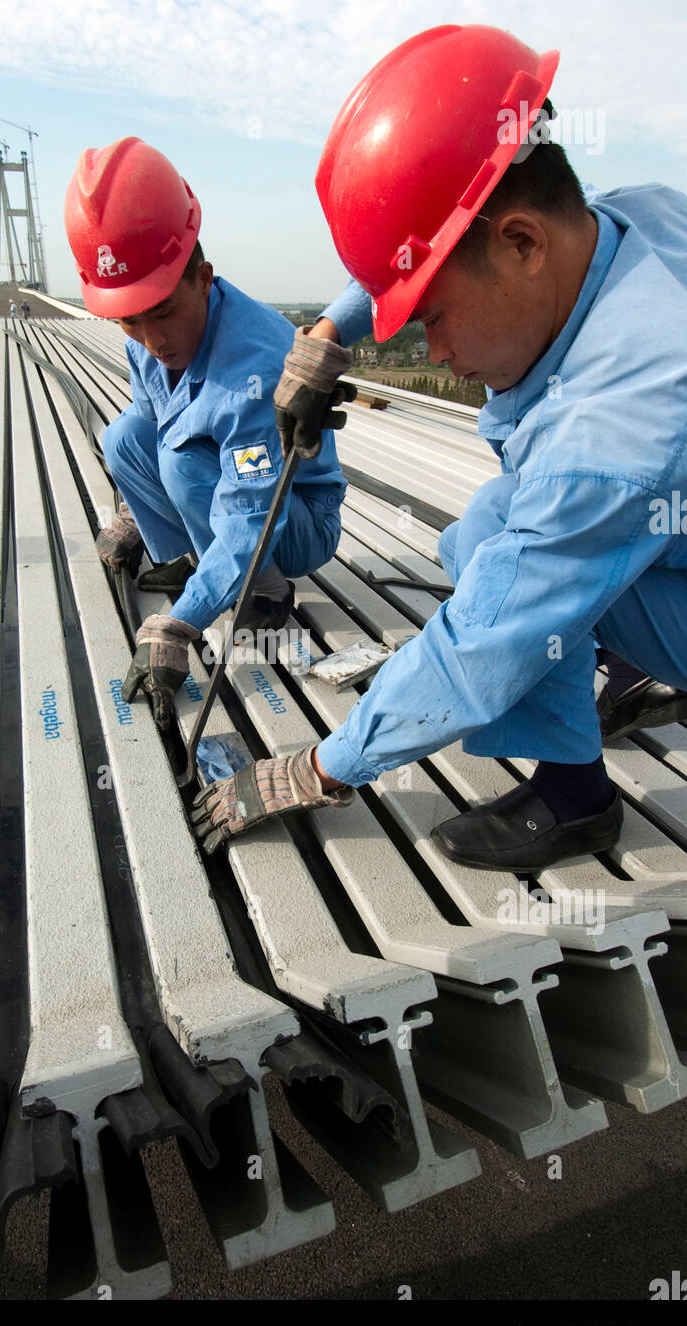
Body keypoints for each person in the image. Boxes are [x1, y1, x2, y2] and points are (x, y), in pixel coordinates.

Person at [192, 22, 687, 873]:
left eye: (430, 315)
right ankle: (630, 662)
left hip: (621, 496)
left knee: (499, 545)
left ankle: (575, 803)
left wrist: (315, 769)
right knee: (507, 524)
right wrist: (328, 330)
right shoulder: (637, 218)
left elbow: (486, 637)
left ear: (523, 245)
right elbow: (468, 201)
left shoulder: (610, 433)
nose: (431, 351)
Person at [64, 137, 351, 731]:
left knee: (184, 465)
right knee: (123, 437)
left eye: (163, 312)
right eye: (130, 319)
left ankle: (265, 592)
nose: (151, 339)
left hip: (293, 517)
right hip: (235, 494)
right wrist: (129, 514)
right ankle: (193, 559)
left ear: (202, 278)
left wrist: (180, 623)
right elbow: (151, 422)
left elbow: (251, 513)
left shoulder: (253, 371)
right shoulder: (148, 331)